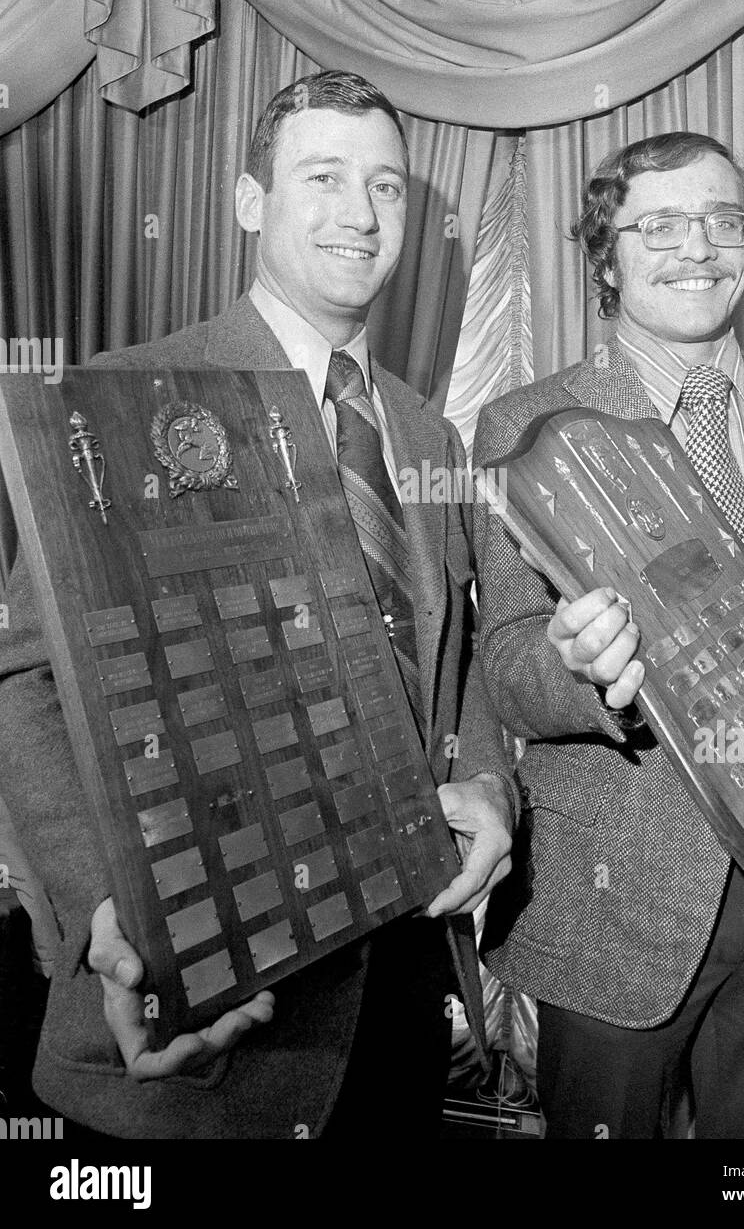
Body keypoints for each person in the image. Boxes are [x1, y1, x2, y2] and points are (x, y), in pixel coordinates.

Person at [0, 71, 514, 1140]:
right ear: (248, 202)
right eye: (321, 177)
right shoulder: (124, 396)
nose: (360, 213)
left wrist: (488, 791)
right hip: (197, 1046)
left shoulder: (428, 437)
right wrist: (115, 910)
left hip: (394, 1020)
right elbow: (24, 677)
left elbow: (457, 672)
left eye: (385, 185)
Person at [471, 130, 744, 1139]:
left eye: (722, 221)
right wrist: (581, 670)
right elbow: (507, 659)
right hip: (616, 889)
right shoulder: (529, 423)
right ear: (606, 254)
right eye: (659, 225)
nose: (697, 247)